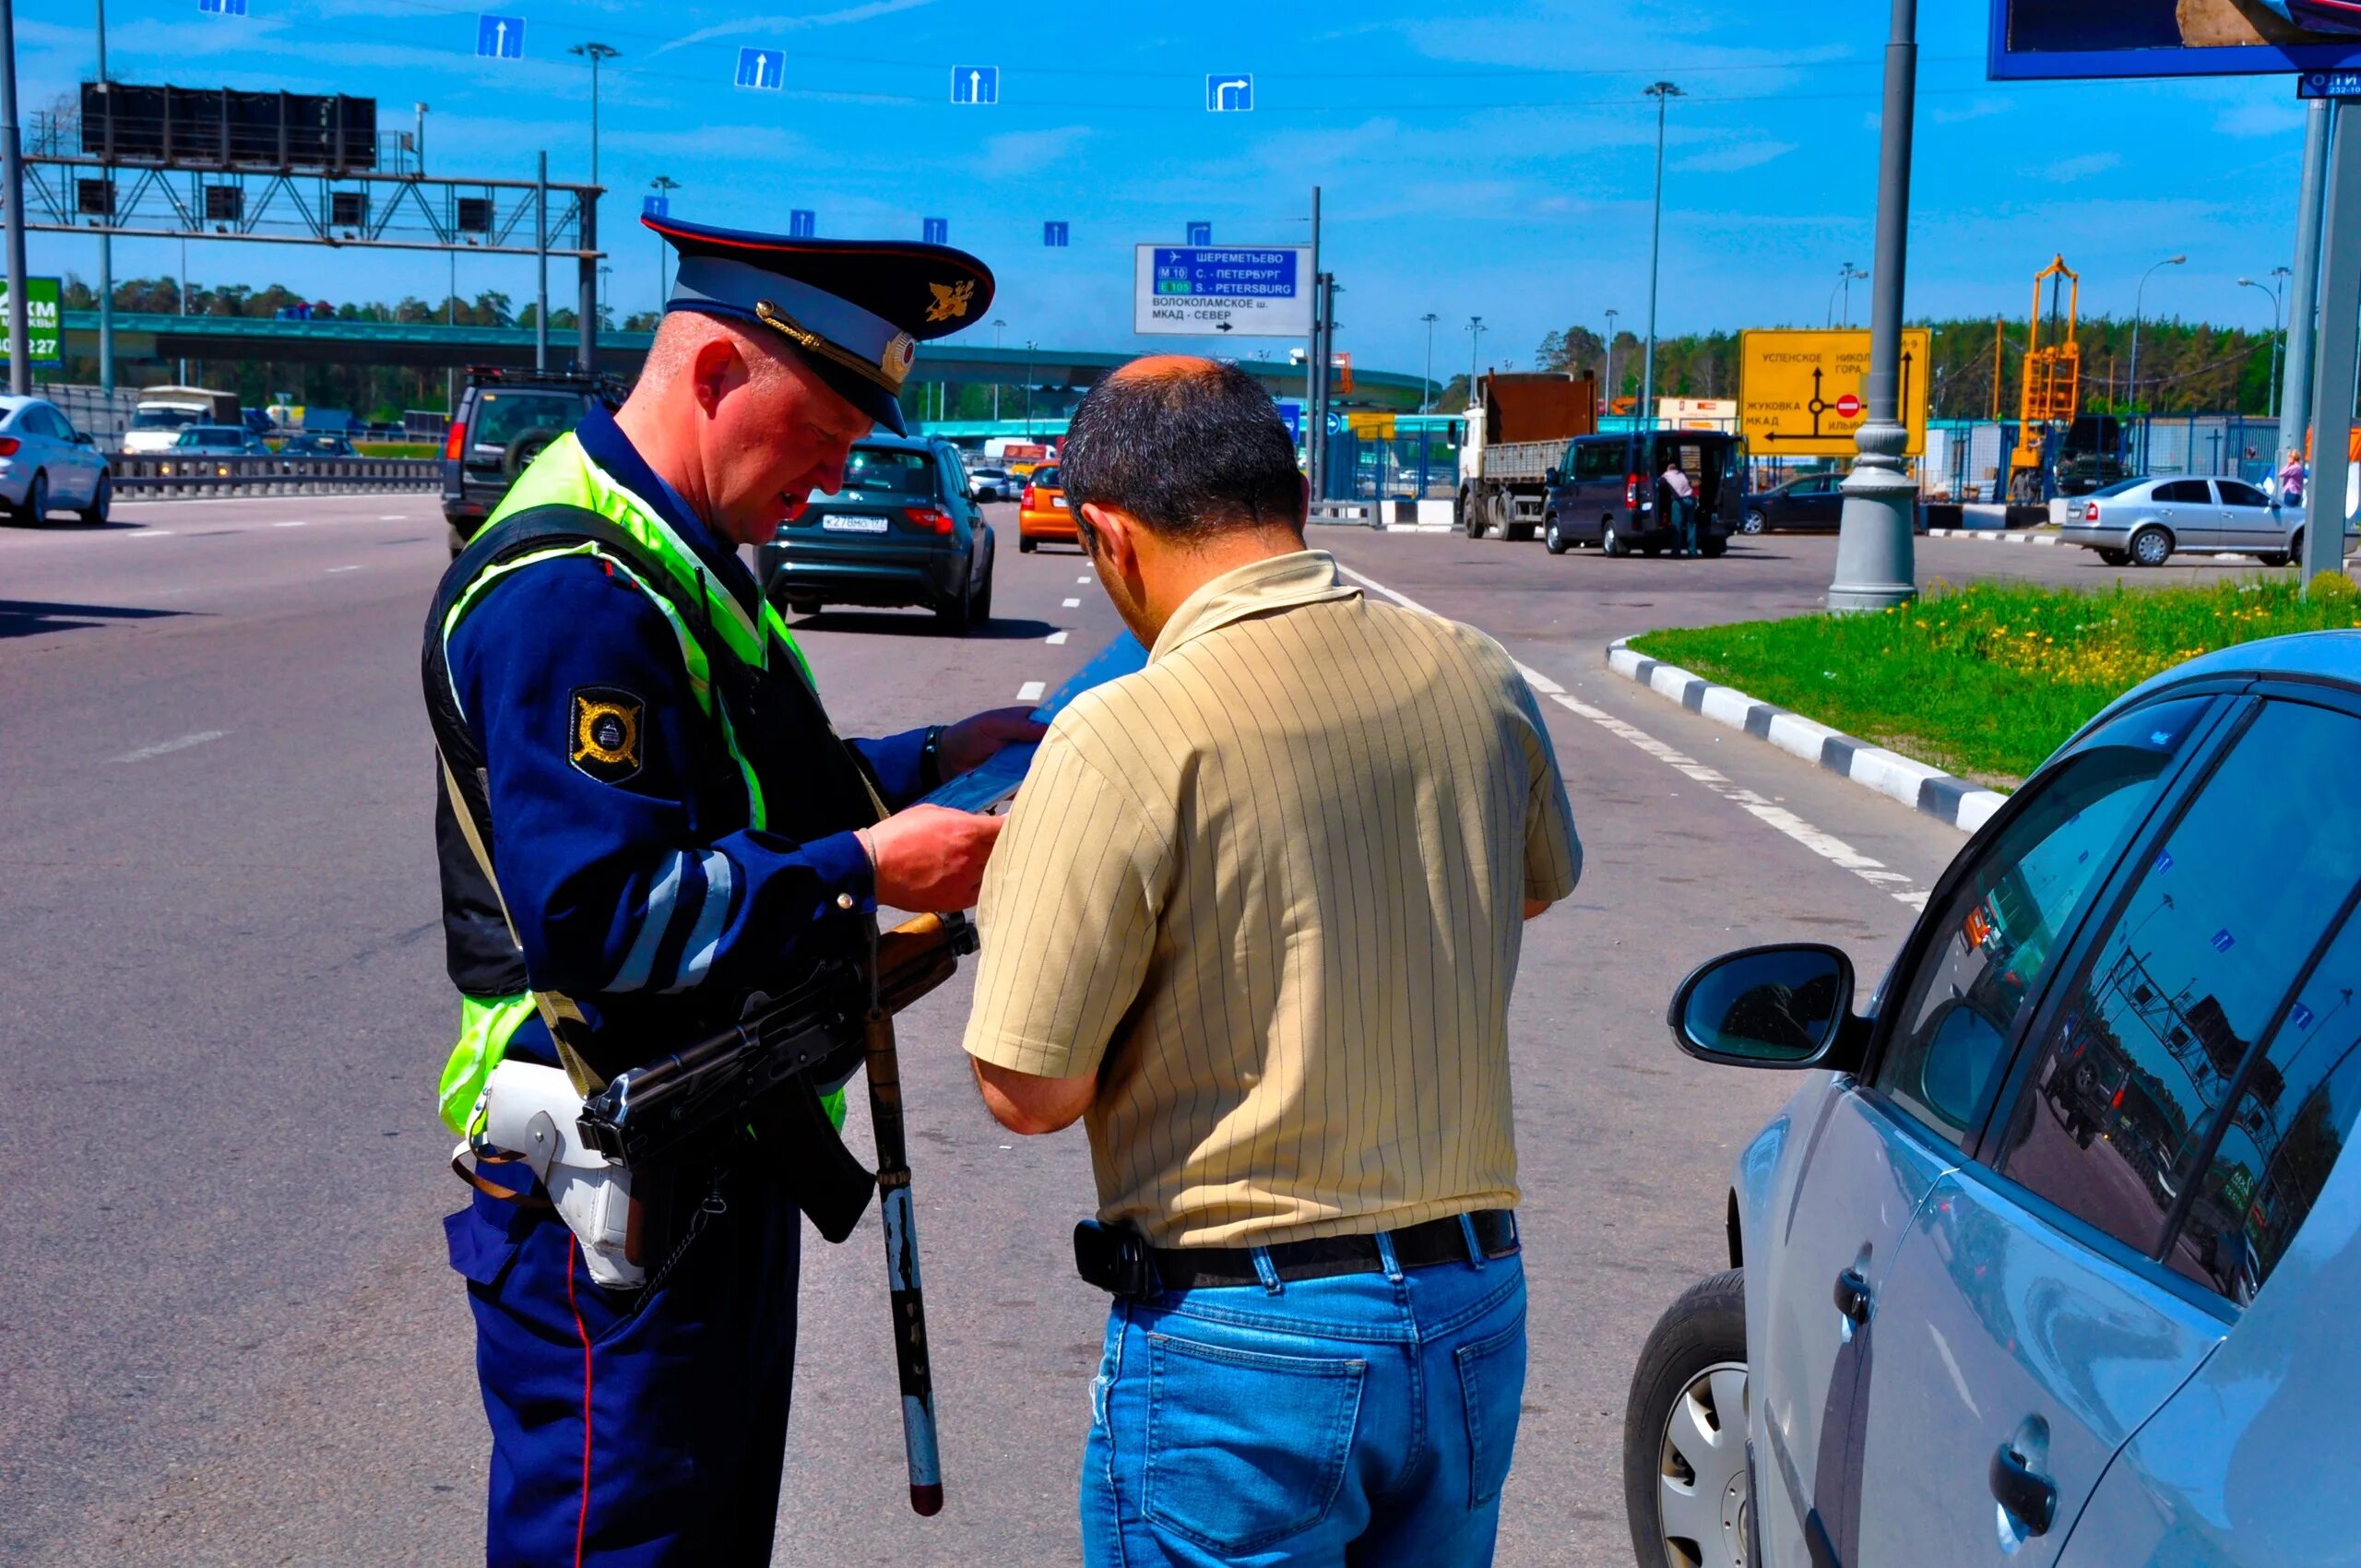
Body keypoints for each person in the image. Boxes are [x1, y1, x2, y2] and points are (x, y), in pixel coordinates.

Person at [422, 214, 1039, 1565]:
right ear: (714, 375)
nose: (822, 488)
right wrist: (876, 866)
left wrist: (944, 759)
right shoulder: (574, 590)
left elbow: (764, 799)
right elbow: (603, 914)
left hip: (714, 1154)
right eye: (815, 445)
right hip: (616, 1188)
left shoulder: (684, 556)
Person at [959, 356, 1582, 1567]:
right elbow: (1531, 886)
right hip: (1468, 1312)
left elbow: (1028, 1091)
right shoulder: (1476, 671)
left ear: (1109, 536)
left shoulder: (1127, 728)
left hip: (1244, 1342)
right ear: (1292, 491)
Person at [1662, 454, 1698, 556]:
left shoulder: (1666, 475)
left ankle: (1676, 551)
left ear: (1668, 469)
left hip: (1679, 502)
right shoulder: (1682, 474)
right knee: (1691, 526)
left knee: (1677, 527)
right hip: (1691, 500)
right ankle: (1692, 551)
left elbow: (1657, 483)